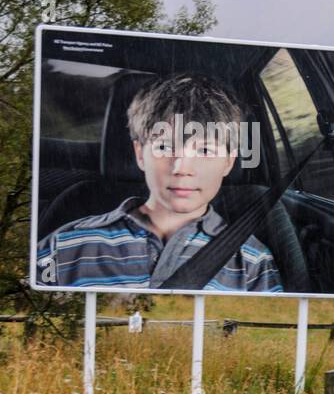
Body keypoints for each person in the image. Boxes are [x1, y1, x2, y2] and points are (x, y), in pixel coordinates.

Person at [36, 72, 282, 292]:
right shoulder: (64, 245)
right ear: (140, 154)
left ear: (228, 162)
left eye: (205, 150)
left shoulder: (252, 262)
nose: (181, 168)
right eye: (164, 147)